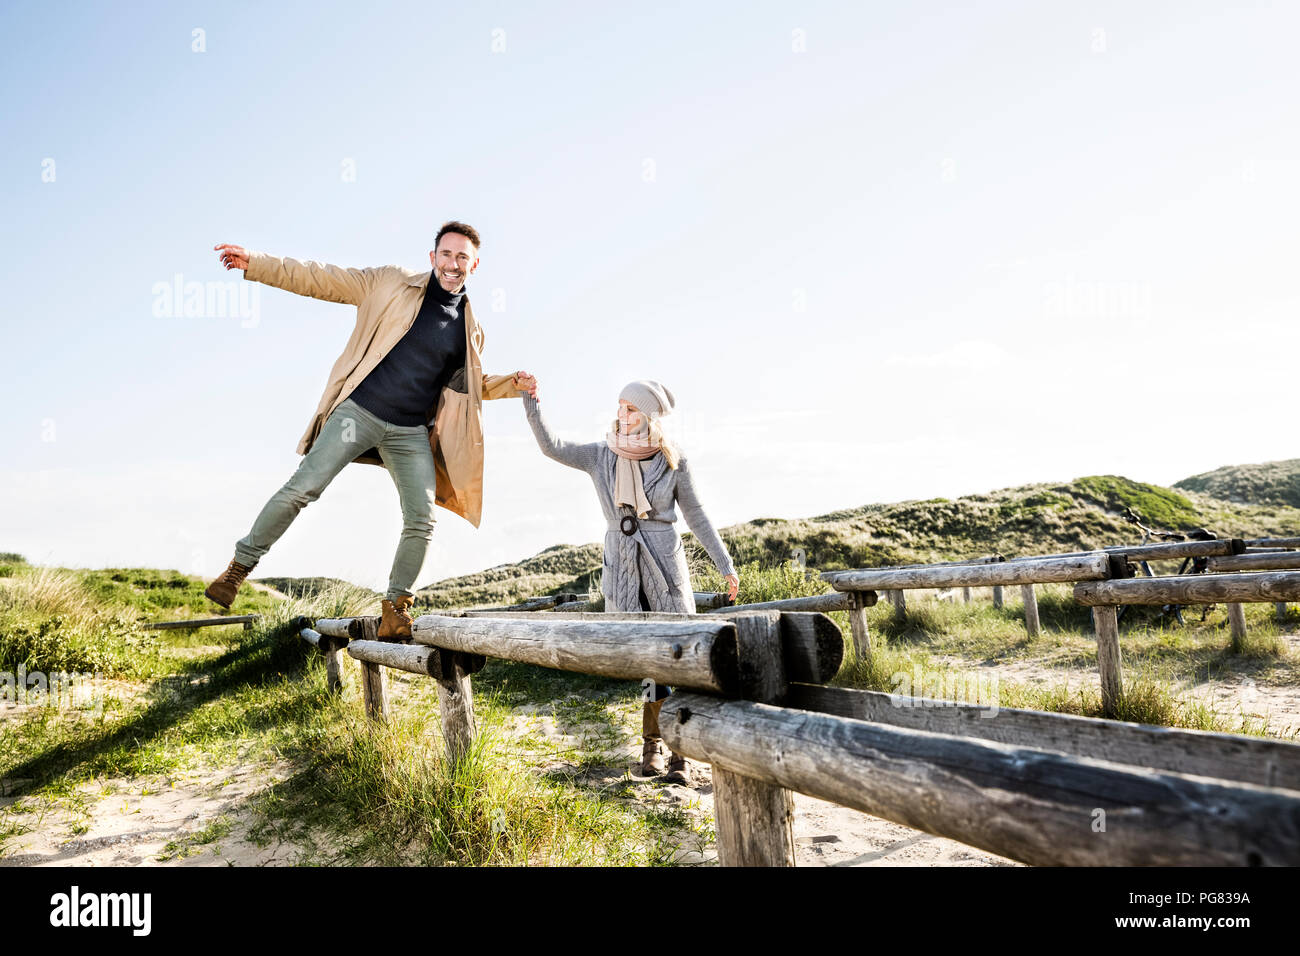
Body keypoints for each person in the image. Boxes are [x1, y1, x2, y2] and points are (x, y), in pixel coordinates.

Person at [205, 223, 523, 639]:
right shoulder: (389, 283)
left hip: (409, 432)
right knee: (304, 488)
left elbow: (469, 385)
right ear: (433, 258)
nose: (453, 264)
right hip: (360, 412)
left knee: (422, 519)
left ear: (474, 265)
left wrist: (512, 384)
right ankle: (236, 570)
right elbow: (323, 277)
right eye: (446, 254)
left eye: (462, 257)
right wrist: (259, 264)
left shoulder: (470, 328)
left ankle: (396, 609)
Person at [513, 373, 739, 785]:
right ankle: (652, 747)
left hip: (665, 567)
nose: (622, 413)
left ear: (648, 416)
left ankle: (679, 755)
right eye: (620, 405)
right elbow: (552, 447)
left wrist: (725, 564)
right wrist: (532, 401)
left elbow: (697, 515)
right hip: (623, 568)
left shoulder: (673, 460)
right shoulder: (601, 455)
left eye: (630, 408)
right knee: (648, 662)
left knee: (675, 658)